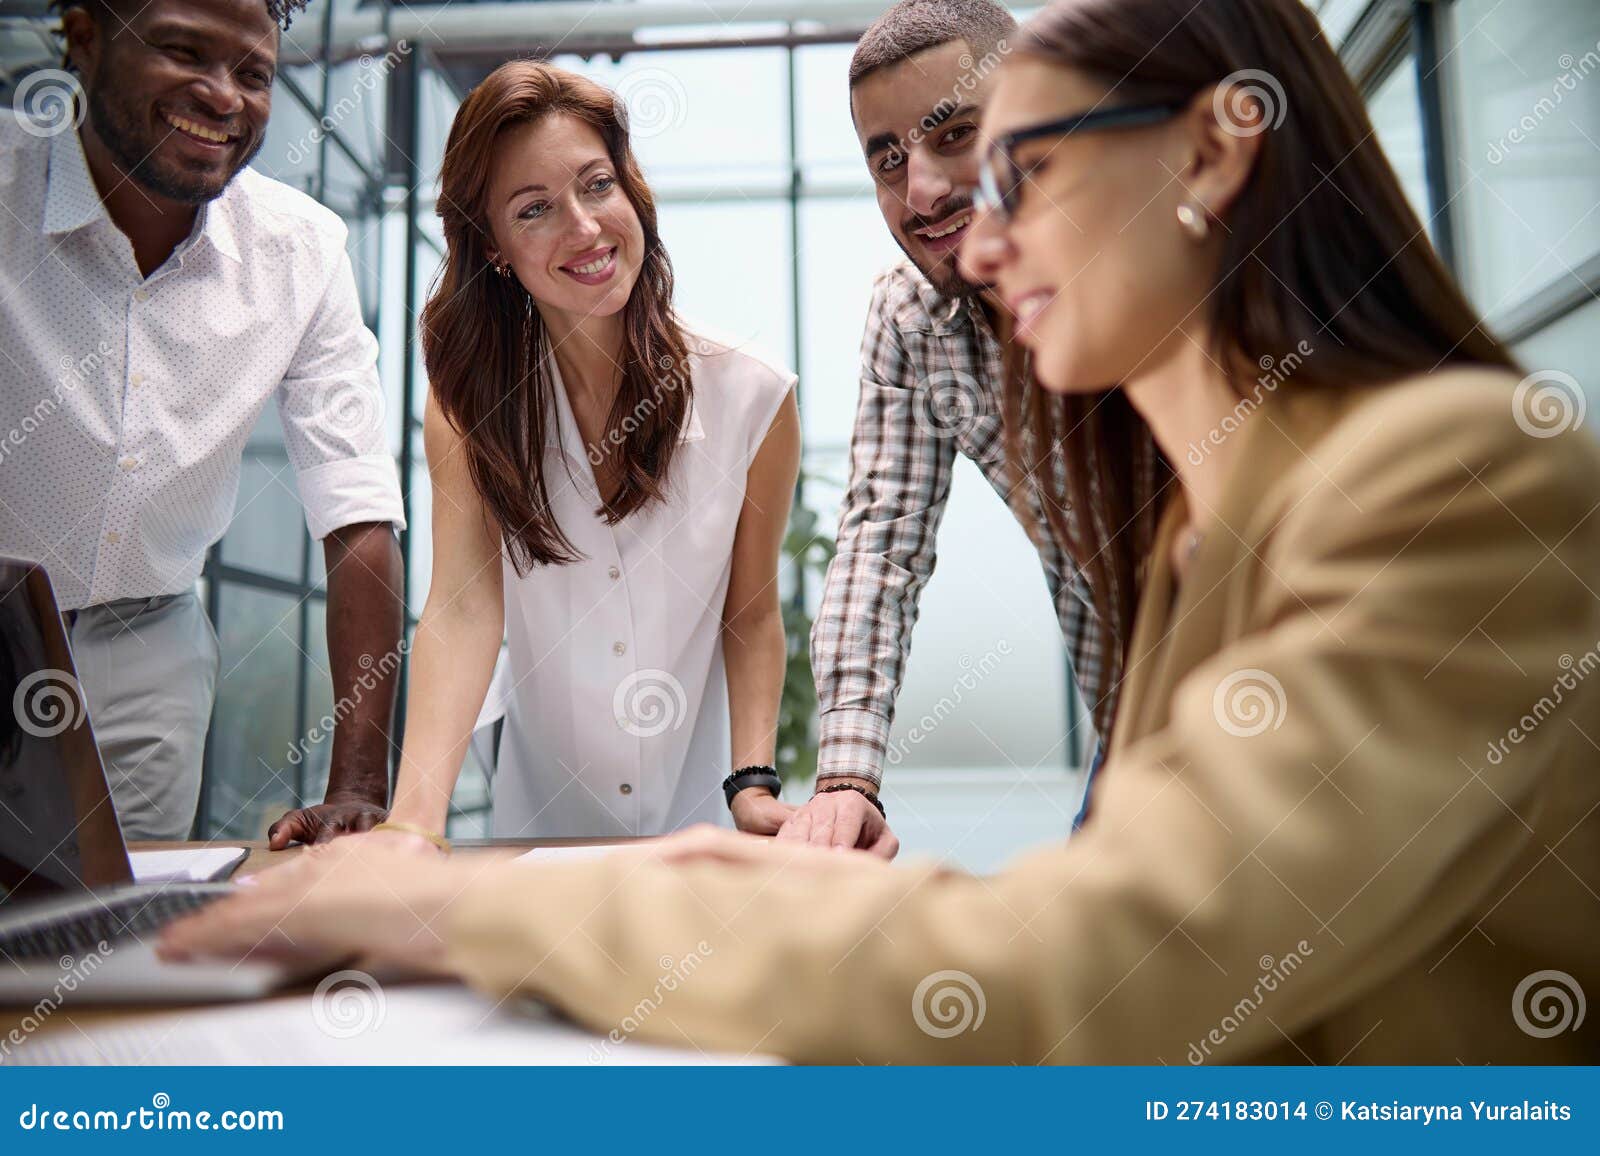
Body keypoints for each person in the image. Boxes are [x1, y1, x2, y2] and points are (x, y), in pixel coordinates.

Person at [164, 0, 1600, 1065]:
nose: (960, 228)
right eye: (895, 162)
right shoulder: (1195, 546)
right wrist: (760, 831)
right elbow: (881, 558)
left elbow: (1091, 970)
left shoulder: (1450, 489)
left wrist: (472, 916)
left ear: (1218, 159)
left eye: (1016, 169)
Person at [312, 61, 799, 846]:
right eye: (534, 209)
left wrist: (752, 781)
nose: (582, 228)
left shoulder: (755, 395)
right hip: (533, 825)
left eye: (596, 185)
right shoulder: (469, 403)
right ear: (496, 247)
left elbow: (750, 613)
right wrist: (413, 822)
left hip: (699, 825)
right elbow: (464, 607)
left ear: (631, 188)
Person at [0, 0, 406, 842]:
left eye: (253, 73)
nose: (223, 97)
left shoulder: (303, 251)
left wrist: (359, 786)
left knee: (107, 950)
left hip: (151, 648)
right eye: (183, 51)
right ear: (83, 39)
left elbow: (357, 511)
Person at [781, 0, 1117, 857]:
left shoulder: (1142, 256)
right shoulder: (912, 312)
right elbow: (879, 545)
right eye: (887, 159)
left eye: (954, 134)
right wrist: (847, 779)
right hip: (1133, 716)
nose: (921, 190)